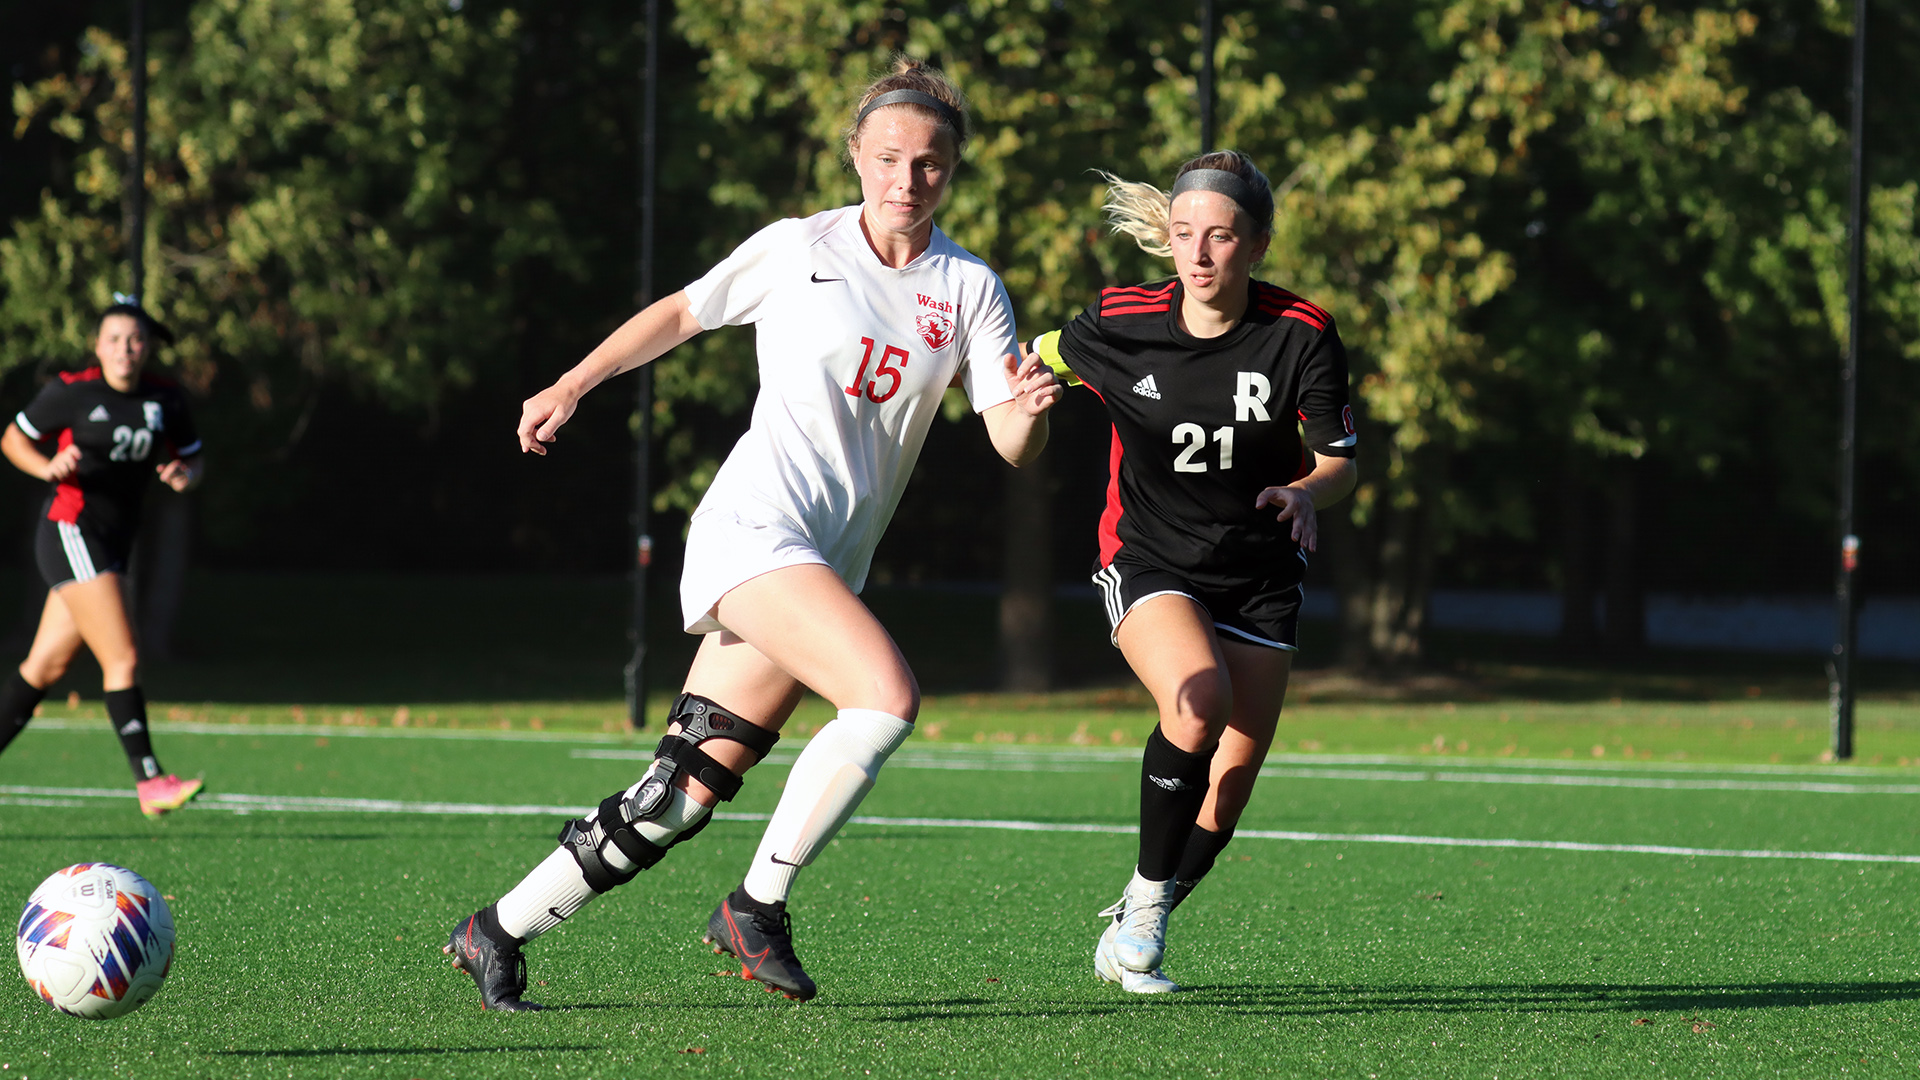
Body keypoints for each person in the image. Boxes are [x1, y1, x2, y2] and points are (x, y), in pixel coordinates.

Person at [445, 58, 1061, 1010]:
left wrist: (1028, 405)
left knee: (679, 797)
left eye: (930, 165)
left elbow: (1012, 443)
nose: (906, 181)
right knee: (886, 697)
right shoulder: (798, 245)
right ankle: (756, 906)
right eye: (889, 157)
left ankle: (496, 930)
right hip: (752, 532)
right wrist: (571, 385)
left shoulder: (970, 288)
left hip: (822, 566)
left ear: (954, 171)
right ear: (855, 154)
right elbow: (680, 316)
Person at [1026, 151, 1358, 993]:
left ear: (1258, 244)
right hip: (1147, 557)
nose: (1199, 254)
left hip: (1259, 575)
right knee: (1197, 699)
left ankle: (1146, 913)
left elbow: (1338, 460)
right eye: (1183, 235)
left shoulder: (1303, 333)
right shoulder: (1117, 319)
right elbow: (1020, 359)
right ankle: (1143, 905)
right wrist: (1012, 390)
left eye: (1220, 236)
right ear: (1166, 242)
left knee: (1231, 785)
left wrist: (1307, 490)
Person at [0, 301, 206, 818]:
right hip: (71, 530)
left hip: (114, 541)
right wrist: (47, 466)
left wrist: (187, 475)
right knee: (123, 657)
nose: (124, 349)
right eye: (114, 339)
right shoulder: (72, 392)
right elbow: (12, 439)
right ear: (97, 346)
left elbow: (194, 457)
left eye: (135, 340)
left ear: (147, 348)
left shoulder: (165, 399)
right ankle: (151, 781)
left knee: (44, 666)